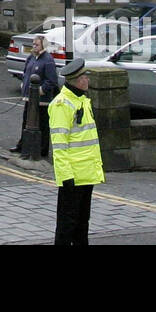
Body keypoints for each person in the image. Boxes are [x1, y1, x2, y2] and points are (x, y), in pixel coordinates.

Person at [49, 58, 103, 246]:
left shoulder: (81, 100)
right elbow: (59, 144)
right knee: (66, 227)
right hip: (73, 176)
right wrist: (66, 176)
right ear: (77, 80)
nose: (87, 79)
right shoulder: (62, 104)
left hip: (86, 174)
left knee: (82, 225)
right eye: (84, 76)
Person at [13, 35, 59, 157]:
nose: (34, 46)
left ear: (43, 46)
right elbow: (25, 73)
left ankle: (42, 150)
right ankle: (23, 146)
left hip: (42, 100)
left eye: (36, 44)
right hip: (29, 97)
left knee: (42, 125)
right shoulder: (31, 57)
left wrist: (40, 90)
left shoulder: (48, 60)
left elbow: (52, 80)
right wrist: (24, 84)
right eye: (33, 44)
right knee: (26, 122)